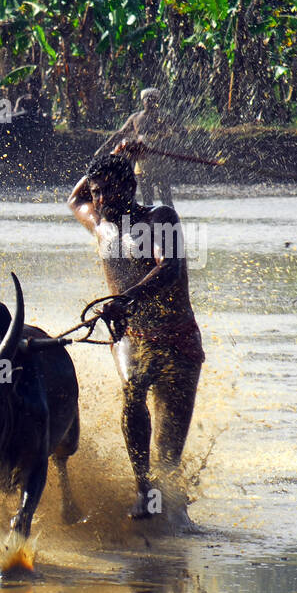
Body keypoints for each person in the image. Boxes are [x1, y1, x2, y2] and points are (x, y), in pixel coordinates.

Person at [68, 144, 203, 522]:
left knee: (168, 451)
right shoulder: (100, 226)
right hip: (131, 336)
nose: (99, 199)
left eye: (107, 190)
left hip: (177, 339)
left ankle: (170, 514)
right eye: (96, 192)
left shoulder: (161, 217)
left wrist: (124, 299)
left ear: (129, 188)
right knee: (133, 391)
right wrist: (114, 152)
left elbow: (170, 268)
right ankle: (144, 489)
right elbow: (73, 197)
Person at [97, 87, 180, 206]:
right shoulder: (136, 118)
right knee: (147, 200)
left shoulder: (165, 118)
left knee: (166, 198)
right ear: (143, 101)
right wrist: (103, 148)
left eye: (154, 100)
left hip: (161, 163)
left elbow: (180, 132)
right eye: (148, 100)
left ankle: (171, 222)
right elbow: (120, 133)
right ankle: (149, 222)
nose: (151, 103)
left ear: (158, 102)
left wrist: (167, 137)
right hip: (142, 162)